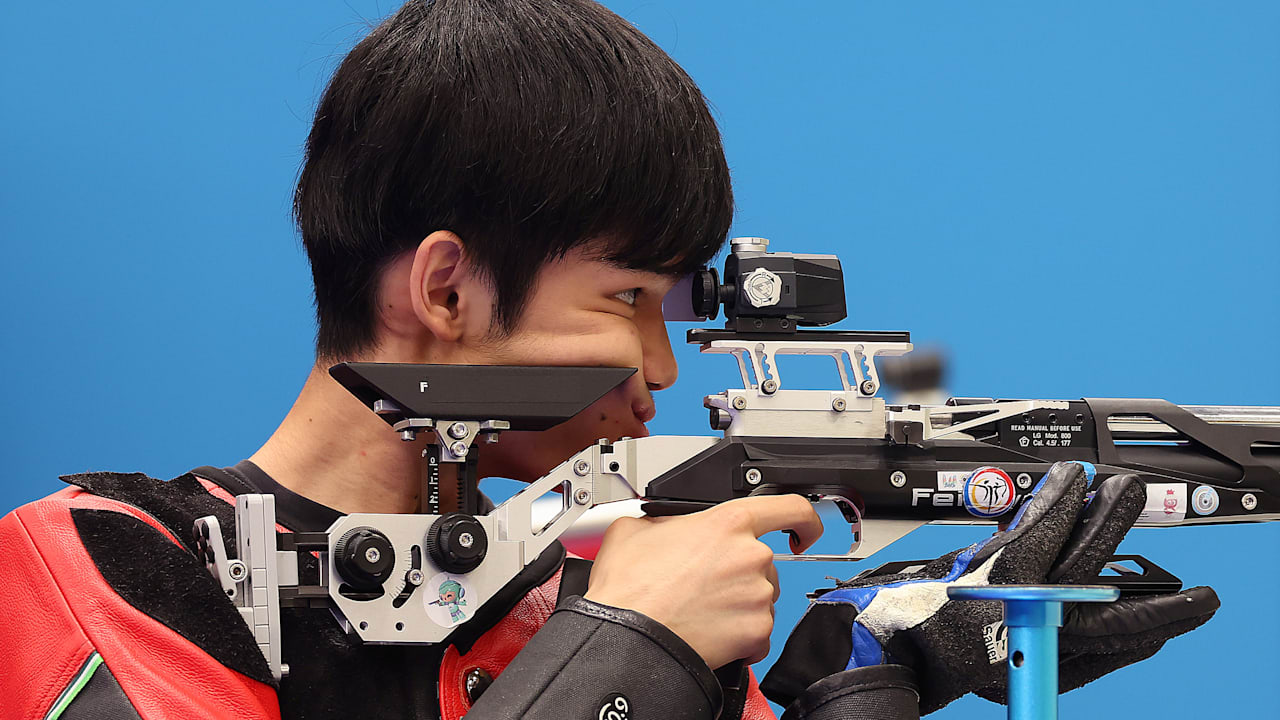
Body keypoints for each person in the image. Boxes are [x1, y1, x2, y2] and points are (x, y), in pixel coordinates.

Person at [0, 2, 1217, 719]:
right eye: (628, 299)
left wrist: (866, 667)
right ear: (447, 289)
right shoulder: (93, 571)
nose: (661, 370)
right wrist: (632, 655)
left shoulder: (562, 597)